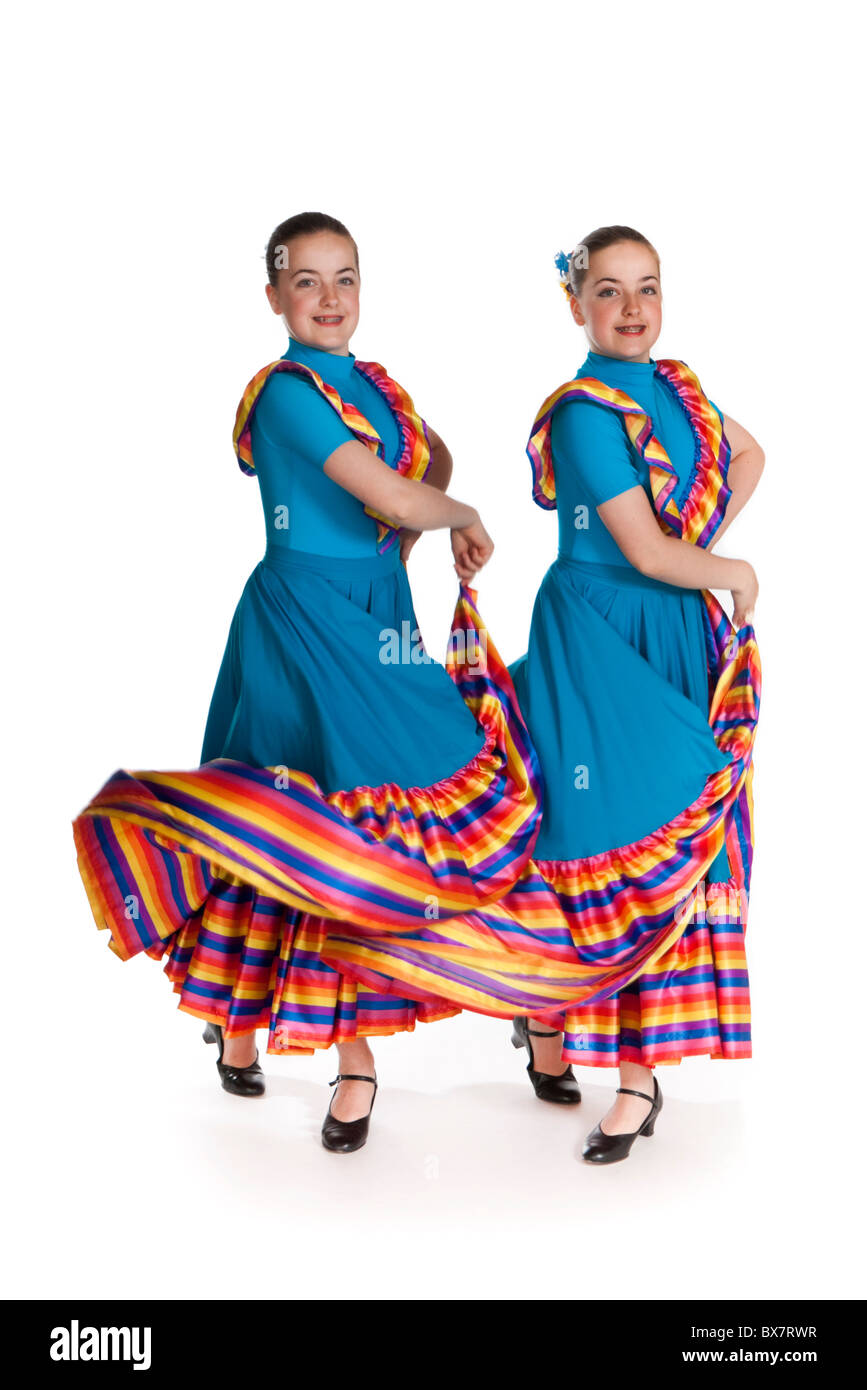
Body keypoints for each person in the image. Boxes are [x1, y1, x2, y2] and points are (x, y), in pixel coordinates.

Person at [72, 211, 541, 1154]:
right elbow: (395, 492)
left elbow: (419, 467)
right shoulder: (286, 393)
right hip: (300, 625)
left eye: (345, 279)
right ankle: (337, 1055)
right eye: (307, 282)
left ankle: (259, 1024)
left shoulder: (373, 386)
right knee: (314, 818)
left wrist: (413, 529)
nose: (329, 300)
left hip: (377, 618)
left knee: (389, 795)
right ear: (275, 297)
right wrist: (448, 514)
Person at [319, 225, 762, 1164]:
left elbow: (747, 456)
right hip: (599, 635)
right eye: (608, 291)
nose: (632, 309)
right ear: (575, 304)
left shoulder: (678, 391)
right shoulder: (583, 412)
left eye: (647, 288)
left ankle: (640, 1071)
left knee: (675, 832)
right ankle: (550, 1013)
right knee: (586, 823)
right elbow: (641, 553)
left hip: (673, 631)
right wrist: (723, 568)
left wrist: (696, 554)